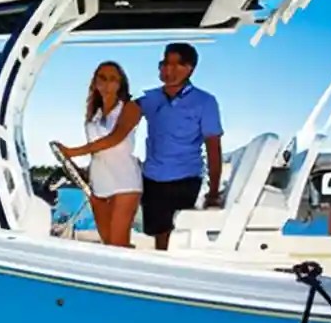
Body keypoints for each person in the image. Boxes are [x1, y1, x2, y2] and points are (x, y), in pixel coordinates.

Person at [135, 42, 223, 251]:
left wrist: (213, 192)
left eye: (176, 65)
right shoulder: (148, 98)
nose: (168, 70)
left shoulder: (205, 101)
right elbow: (119, 123)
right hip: (152, 176)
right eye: (165, 64)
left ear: (190, 68)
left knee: (175, 236)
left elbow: (213, 147)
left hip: (185, 177)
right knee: (158, 235)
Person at [56, 61, 142, 248]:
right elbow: (98, 152)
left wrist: (73, 152)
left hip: (125, 181)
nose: (107, 83)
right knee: (108, 245)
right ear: (95, 83)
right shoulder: (93, 113)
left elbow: (114, 139)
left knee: (119, 244)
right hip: (99, 182)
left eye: (112, 79)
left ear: (120, 84)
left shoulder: (130, 107)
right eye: (102, 78)